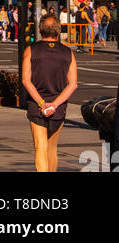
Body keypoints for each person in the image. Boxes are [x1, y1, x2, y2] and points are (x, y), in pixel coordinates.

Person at [21, 13, 77, 173]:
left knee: (40, 147)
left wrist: (41, 103)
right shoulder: (68, 53)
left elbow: (26, 80)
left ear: (40, 30)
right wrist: (54, 104)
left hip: (36, 105)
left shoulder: (31, 50)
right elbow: (72, 84)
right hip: (58, 107)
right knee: (52, 148)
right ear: (58, 31)